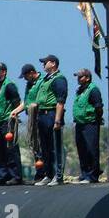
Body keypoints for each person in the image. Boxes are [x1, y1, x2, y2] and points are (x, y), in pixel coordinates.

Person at [33, 55, 68, 185]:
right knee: (45, 147)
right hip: (42, 115)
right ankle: (48, 174)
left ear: (53, 64)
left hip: (52, 114)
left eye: (45, 62)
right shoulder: (45, 79)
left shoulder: (59, 79)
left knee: (55, 147)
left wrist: (57, 120)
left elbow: (60, 101)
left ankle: (57, 176)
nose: (43, 65)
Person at [0, 62, 23, 185]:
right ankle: (4, 174)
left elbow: (17, 102)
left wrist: (14, 116)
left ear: (4, 71)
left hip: (7, 121)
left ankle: (16, 175)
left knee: (11, 149)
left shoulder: (9, 86)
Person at [72, 68, 105, 183]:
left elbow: (98, 107)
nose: (78, 79)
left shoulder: (93, 90)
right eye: (78, 77)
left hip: (90, 123)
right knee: (82, 149)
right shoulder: (80, 90)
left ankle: (92, 175)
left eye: (80, 77)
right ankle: (85, 173)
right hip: (80, 124)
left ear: (87, 78)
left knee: (91, 149)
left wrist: (98, 119)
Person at [13, 63, 44, 181]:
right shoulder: (29, 85)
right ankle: (39, 172)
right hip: (31, 119)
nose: (25, 79)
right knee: (35, 145)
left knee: (42, 145)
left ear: (31, 73)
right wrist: (15, 111)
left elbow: (41, 100)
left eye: (25, 76)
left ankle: (45, 172)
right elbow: (26, 103)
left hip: (39, 117)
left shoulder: (42, 82)